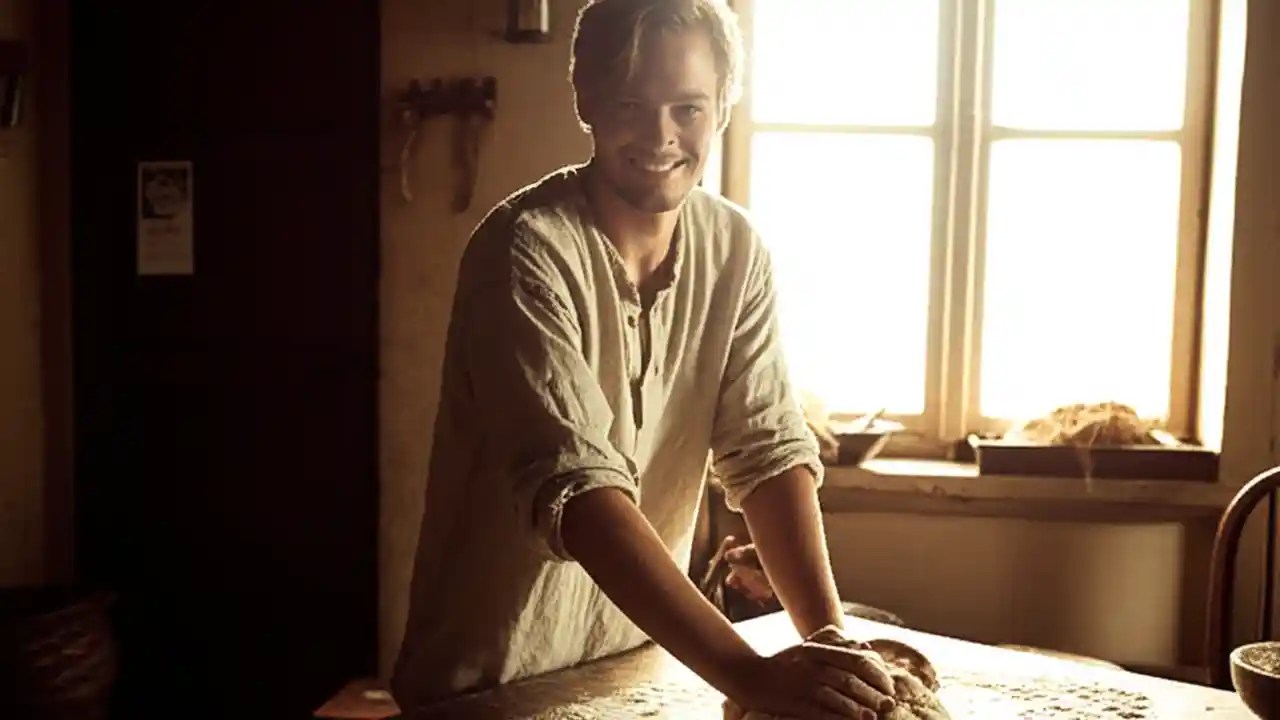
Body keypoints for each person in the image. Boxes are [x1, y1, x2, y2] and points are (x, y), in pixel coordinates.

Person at [391, 1, 895, 718]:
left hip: (635, 677)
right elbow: (582, 495)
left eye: (688, 108)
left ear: (723, 108)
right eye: (632, 102)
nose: (661, 136)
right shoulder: (524, 252)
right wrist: (750, 678)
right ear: (586, 98)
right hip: (493, 687)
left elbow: (770, 452)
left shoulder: (736, 251)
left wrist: (831, 643)